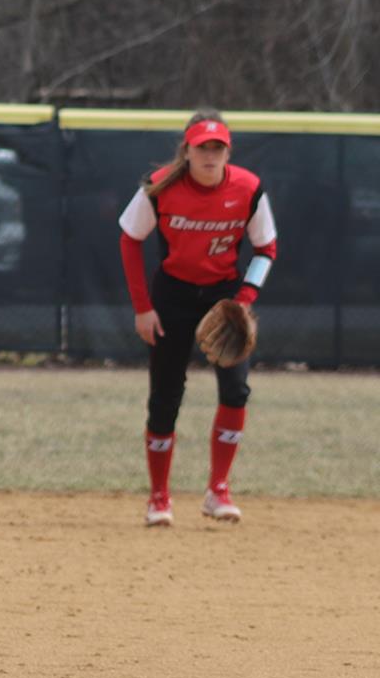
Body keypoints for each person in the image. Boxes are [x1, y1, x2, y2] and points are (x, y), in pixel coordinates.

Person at [116, 109, 278, 527]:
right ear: (187, 150)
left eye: (217, 148)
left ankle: (218, 490)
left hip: (224, 298)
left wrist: (243, 300)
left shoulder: (248, 188)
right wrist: (143, 308)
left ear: (228, 151)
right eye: (202, 147)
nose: (210, 155)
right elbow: (130, 240)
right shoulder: (160, 187)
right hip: (172, 296)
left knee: (236, 390)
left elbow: (267, 249)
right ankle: (159, 497)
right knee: (166, 396)